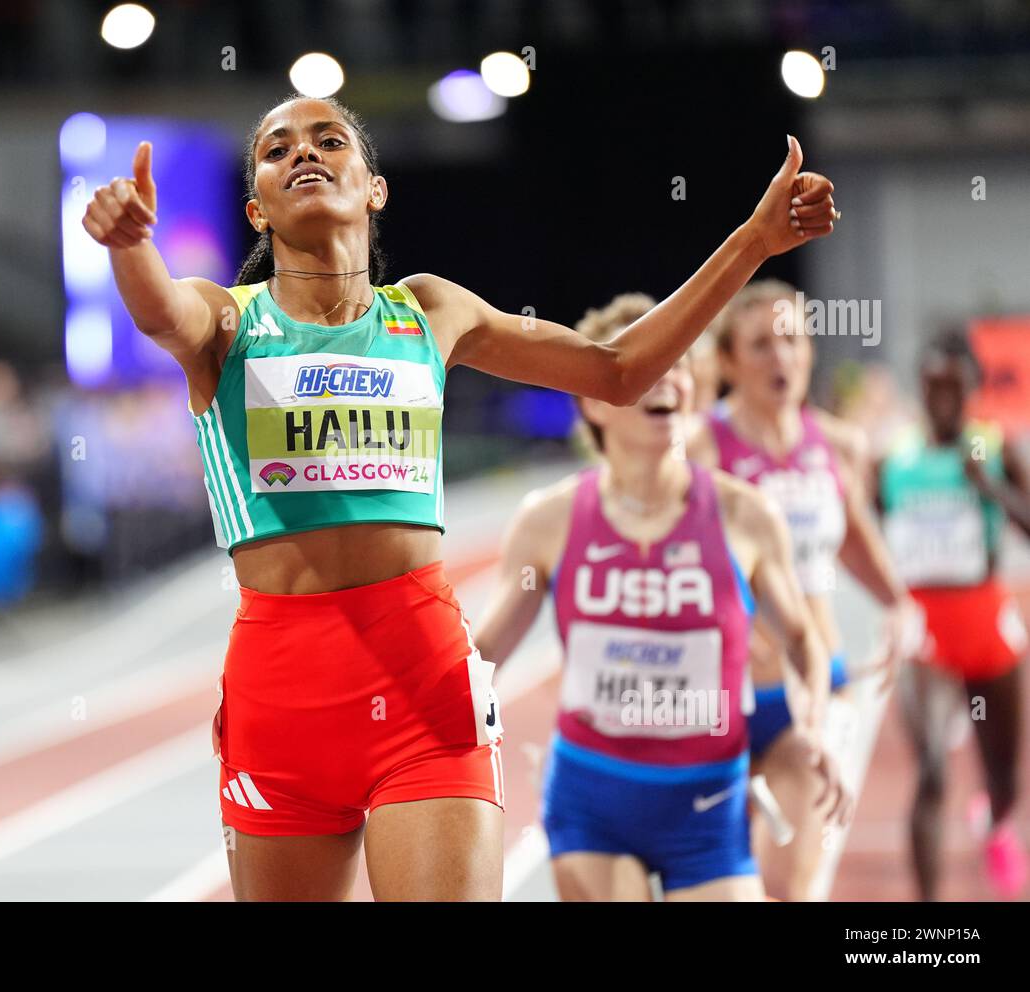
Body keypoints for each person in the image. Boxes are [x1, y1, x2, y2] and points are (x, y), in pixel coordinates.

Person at [82, 94, 839, 901]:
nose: (303, 153)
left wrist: (756, 242)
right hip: (281, 696)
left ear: (374, 188)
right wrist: (131, 247)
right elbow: (159, 309)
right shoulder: (227, 321)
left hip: (423, 687)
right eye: (276, 150)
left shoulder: (431, 312)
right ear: (256, 209)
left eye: (329, 140)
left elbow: (617, 371)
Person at [472, 294, 849, 901]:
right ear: (593, 399)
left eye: (677, 362)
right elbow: (482, 658)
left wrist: (813, 727)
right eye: (644, 364)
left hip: (708, 807)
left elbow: (804, 640)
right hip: (593, 802)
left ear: (695, 388)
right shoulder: (548, 521)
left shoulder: (747, 517)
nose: (666, 377)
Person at [687, 279, 919, 900]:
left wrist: (898, 606)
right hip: (715, 702)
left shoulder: (833, 446)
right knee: (709, 884)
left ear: (810, 350)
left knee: (789, 882)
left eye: (791, 339)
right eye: (760, 344)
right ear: (731, 362)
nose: (780, 357)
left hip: (811, 697)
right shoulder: (702, 448)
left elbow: (856, 542)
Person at [881, 331, 1029, 899]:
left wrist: (987, 485)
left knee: (1004, 778)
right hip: (925, 631)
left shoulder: (991, 447)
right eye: (932, 381)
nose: (942, 392)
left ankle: (996, 824)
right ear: (919, 383)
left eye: (953, 382)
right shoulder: (895, 457)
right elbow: (865, 536)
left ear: (972, 384)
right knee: (932, 772)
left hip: (986, 625)